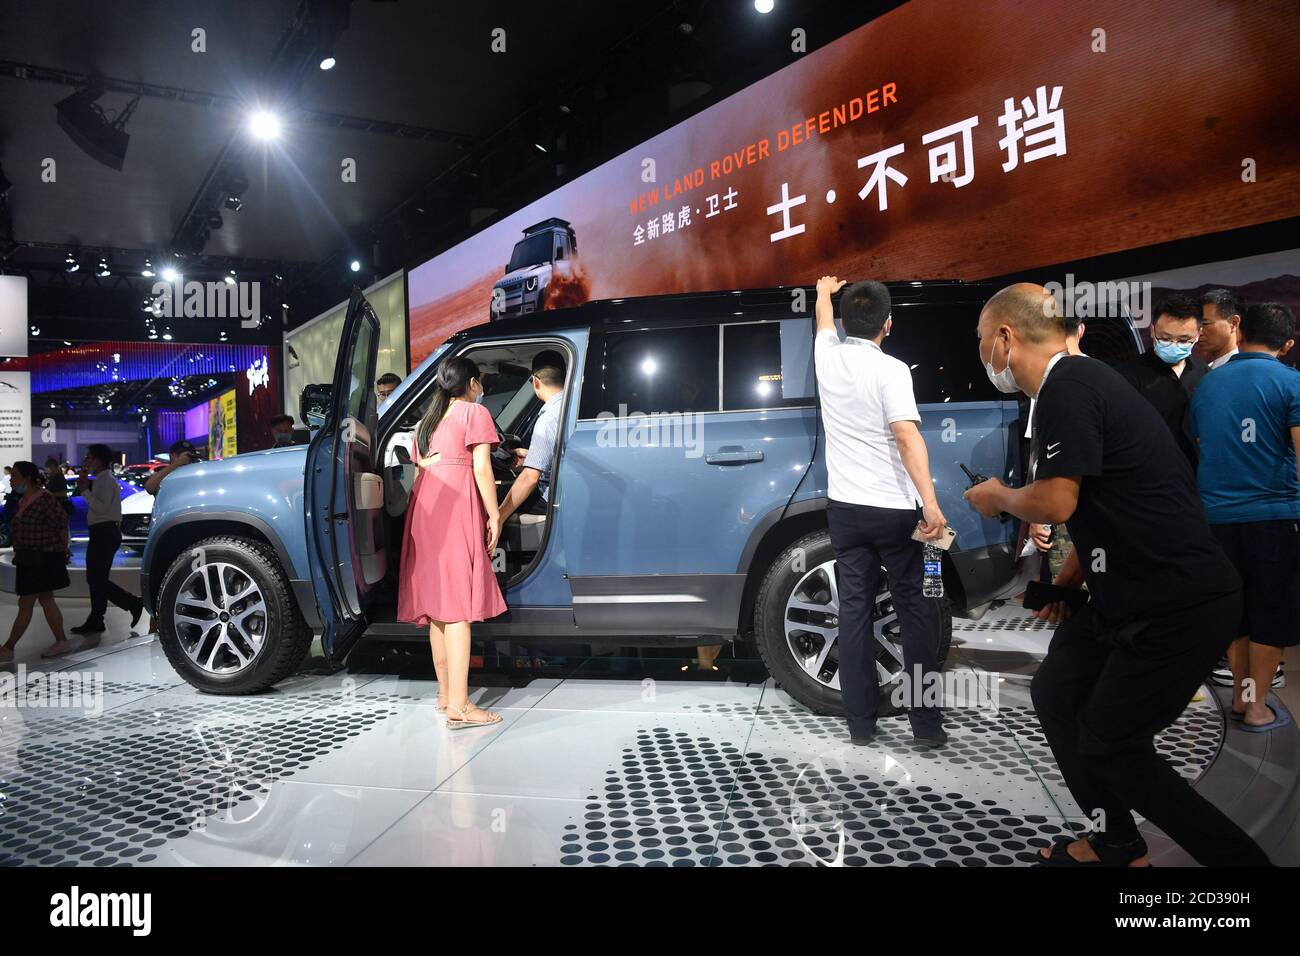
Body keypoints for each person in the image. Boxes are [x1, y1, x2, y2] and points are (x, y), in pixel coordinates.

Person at [964, 283, 1268, 867]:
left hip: (1177, 601)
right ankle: (1116, 841)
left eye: (982, 341)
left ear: (1006, 338)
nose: (985, 356)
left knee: (1113, 745)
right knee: (1057, 693)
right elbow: (1101, 505)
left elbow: (1055, 503)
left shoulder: (1068, 386)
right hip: (1123, 595)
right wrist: (1066, 584)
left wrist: (997, 496)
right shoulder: (1082, 382)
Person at [812, 276, 948, 748]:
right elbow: (908, 437)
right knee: (914, 612)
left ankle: (860, 726)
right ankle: (926, 727)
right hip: (895, 512)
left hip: (845, 510)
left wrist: (823, 292)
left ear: (848, 321)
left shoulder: (826, 356)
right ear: (888, 324)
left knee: (853, 613)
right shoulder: (892, 370)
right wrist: (930, 503)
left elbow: (823, 323)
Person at [1190, 302, 1299, 733]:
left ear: (1243, 331)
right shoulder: (1291, 383)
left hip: (1217, 519)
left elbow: (1204, 445)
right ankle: (1254, 707)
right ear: (1287, 344)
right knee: (1270, 617)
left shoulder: (1208, 386)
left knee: (1239, 616)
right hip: (1275, 518)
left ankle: (1242, 697)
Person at [396, 356, 506, 729]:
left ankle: (445, 698)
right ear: (473, 383)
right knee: (458, 608)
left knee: (440, 609)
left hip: (425, 511)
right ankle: (461, 706)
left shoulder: (427, 423)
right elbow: (481, 468)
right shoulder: (474, 413)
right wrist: (495, 514)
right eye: (482, 383)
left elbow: (417, 475)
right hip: (454, 507)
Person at [1110, 294, 1208, 468]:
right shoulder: (1127, 376)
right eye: (1165, 338)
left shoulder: (1205, 375)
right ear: (1152, 330)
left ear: (1199, 334)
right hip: (1149, 476)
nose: (1173, 345)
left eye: (1184, 340)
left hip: (1196, 476)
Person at [0, 462, 73, 662]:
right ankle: (61, 640)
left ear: (28, 478)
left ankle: (8, 647)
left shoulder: (44, 499)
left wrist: (62, 549)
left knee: (27, 602)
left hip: (40, 559)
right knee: (45, 599)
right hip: (29, 559)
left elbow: (61, 523)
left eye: (15, 476)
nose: (11, 479)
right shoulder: (24, 500)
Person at [71, 444, 144, 636]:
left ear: (97, 459)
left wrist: (85, 490)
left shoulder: (106, 481)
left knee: (96, 578)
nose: (86, 461)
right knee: (96, 578)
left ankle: (132, 603)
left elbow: (100, 509)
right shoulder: (103, 480)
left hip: (104, 533)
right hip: (102, 532)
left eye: (89, 457)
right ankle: (97, 618)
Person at [498, 350, 567, 523]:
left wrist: (498, 518)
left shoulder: (548, 419)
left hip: (550, 497)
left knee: (490, 499)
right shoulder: (570, 407)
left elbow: (530, 477)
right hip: (564, 491)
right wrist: (531, 455)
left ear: (536, 382)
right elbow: (565, 455)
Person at [1198, 288, 1244, 370]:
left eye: (1205, 324)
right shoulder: (1204, 371)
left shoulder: (1241, 370)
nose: (1199, 332)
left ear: (1234, 323)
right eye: (1197, 325)